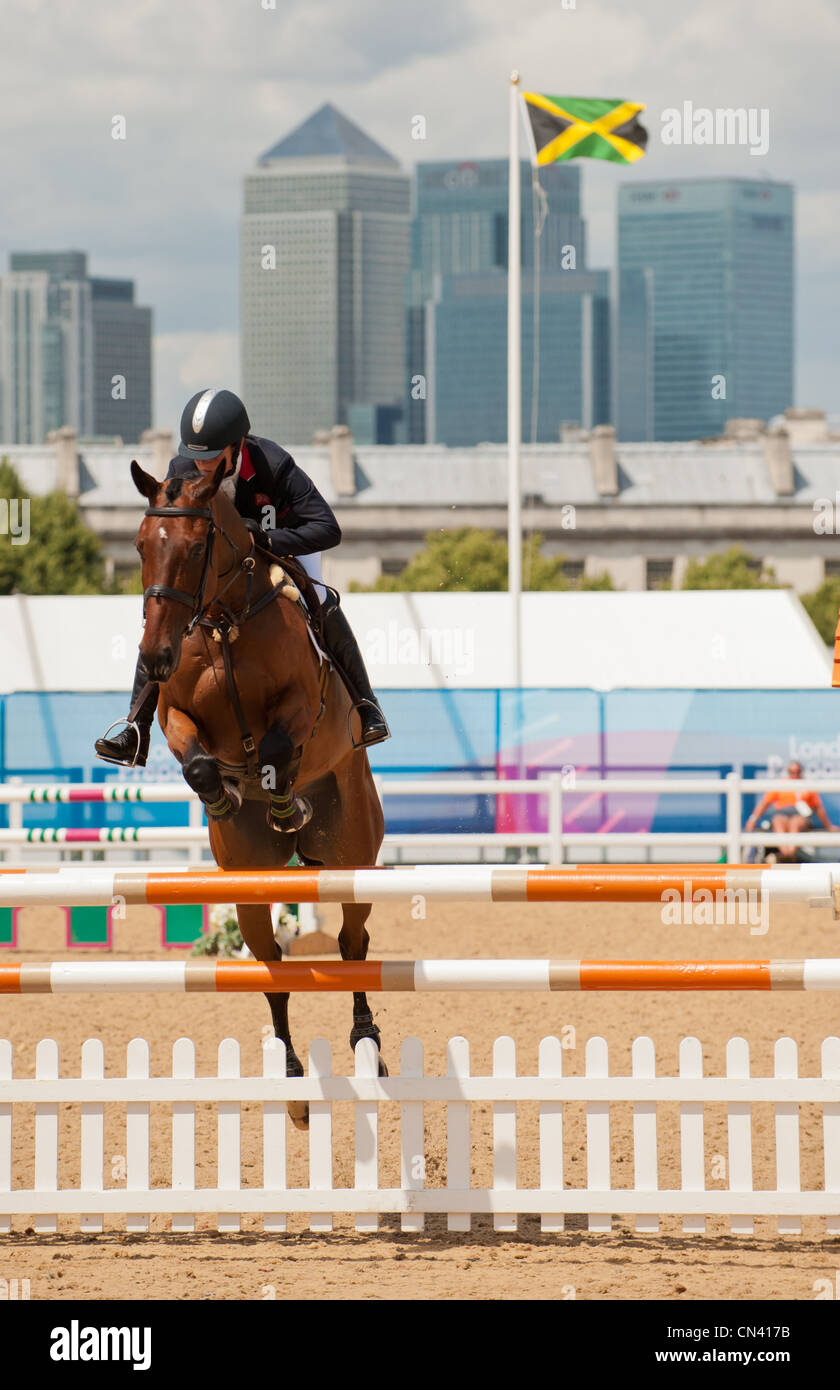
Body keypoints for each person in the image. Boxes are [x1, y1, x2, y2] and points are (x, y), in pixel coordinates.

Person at [95, 388, 389, 768]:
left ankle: (366, 705)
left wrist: (265, 538)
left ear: (237, 445)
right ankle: (136, 728)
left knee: (323, 600)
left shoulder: (273, 464)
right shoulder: (182, 470)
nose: (202, 466)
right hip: (220, 563)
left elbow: (327, 528)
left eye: (213, 456)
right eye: (196, 455)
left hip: (279, 549)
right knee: (160, 612)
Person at [744, 760, 835, 861]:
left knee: (795, 822)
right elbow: (764, 803)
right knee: (778, 821)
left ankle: (787, 855)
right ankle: (787, 855)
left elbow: (818, 808)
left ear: (801, 772)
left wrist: (829, 826)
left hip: (800, 816)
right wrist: (752, 819)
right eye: (792, 772)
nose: (795, 774)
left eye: (797, 771)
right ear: (788, 772)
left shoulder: (807, 785)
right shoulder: (781, 784)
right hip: (782, 814)